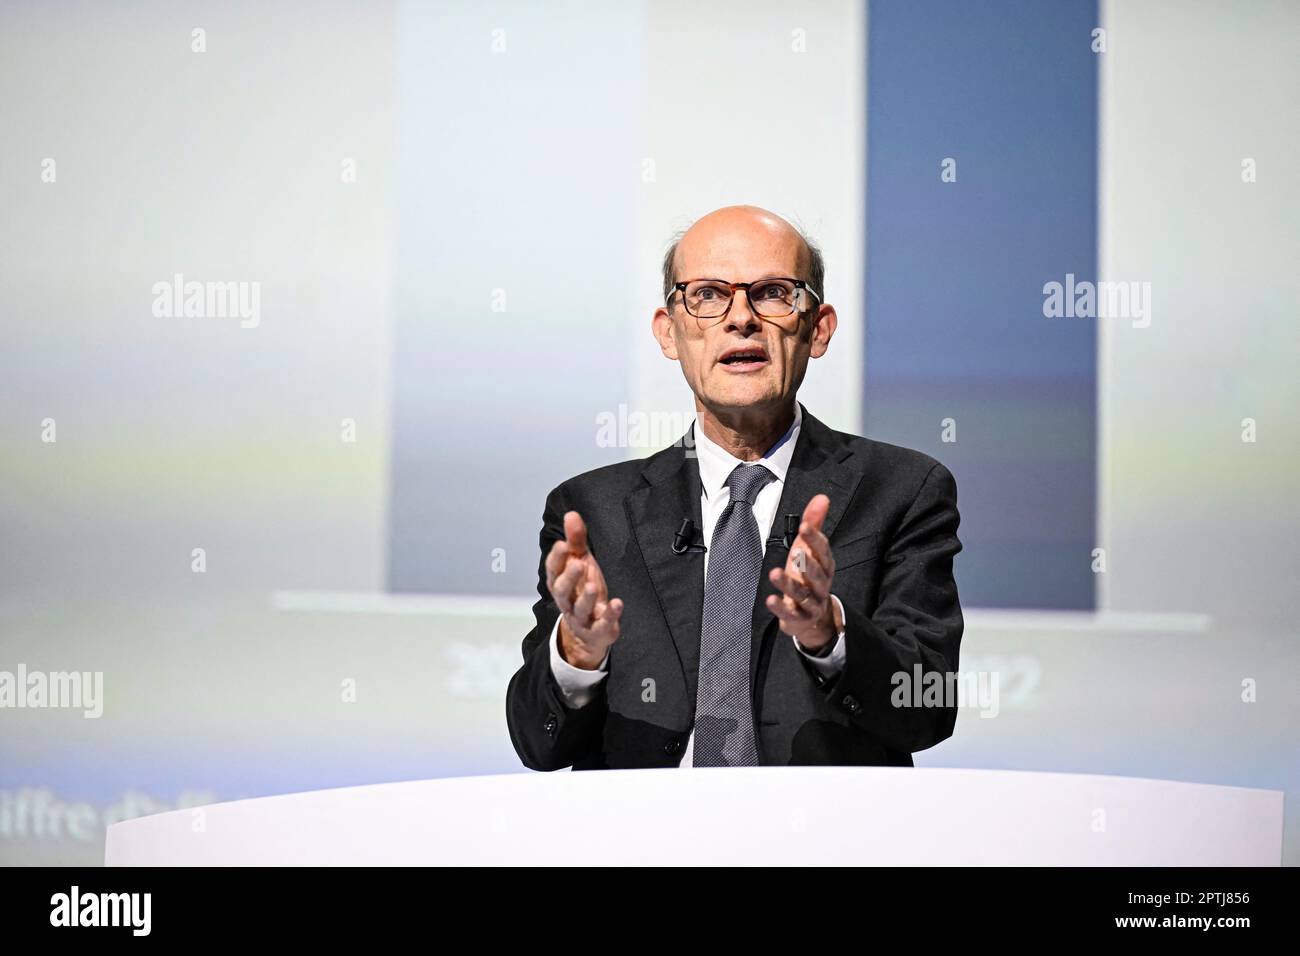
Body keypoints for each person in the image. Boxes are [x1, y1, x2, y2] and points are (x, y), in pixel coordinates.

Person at [506, 205, 963, 769]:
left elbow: (929, 708)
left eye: (772, 292)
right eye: (707, 294)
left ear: (818, 329)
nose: (740, 317)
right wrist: (576, 654)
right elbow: (538, 744)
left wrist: (831, 633)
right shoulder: (593, 511)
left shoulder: (902, 490)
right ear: (668, 332)